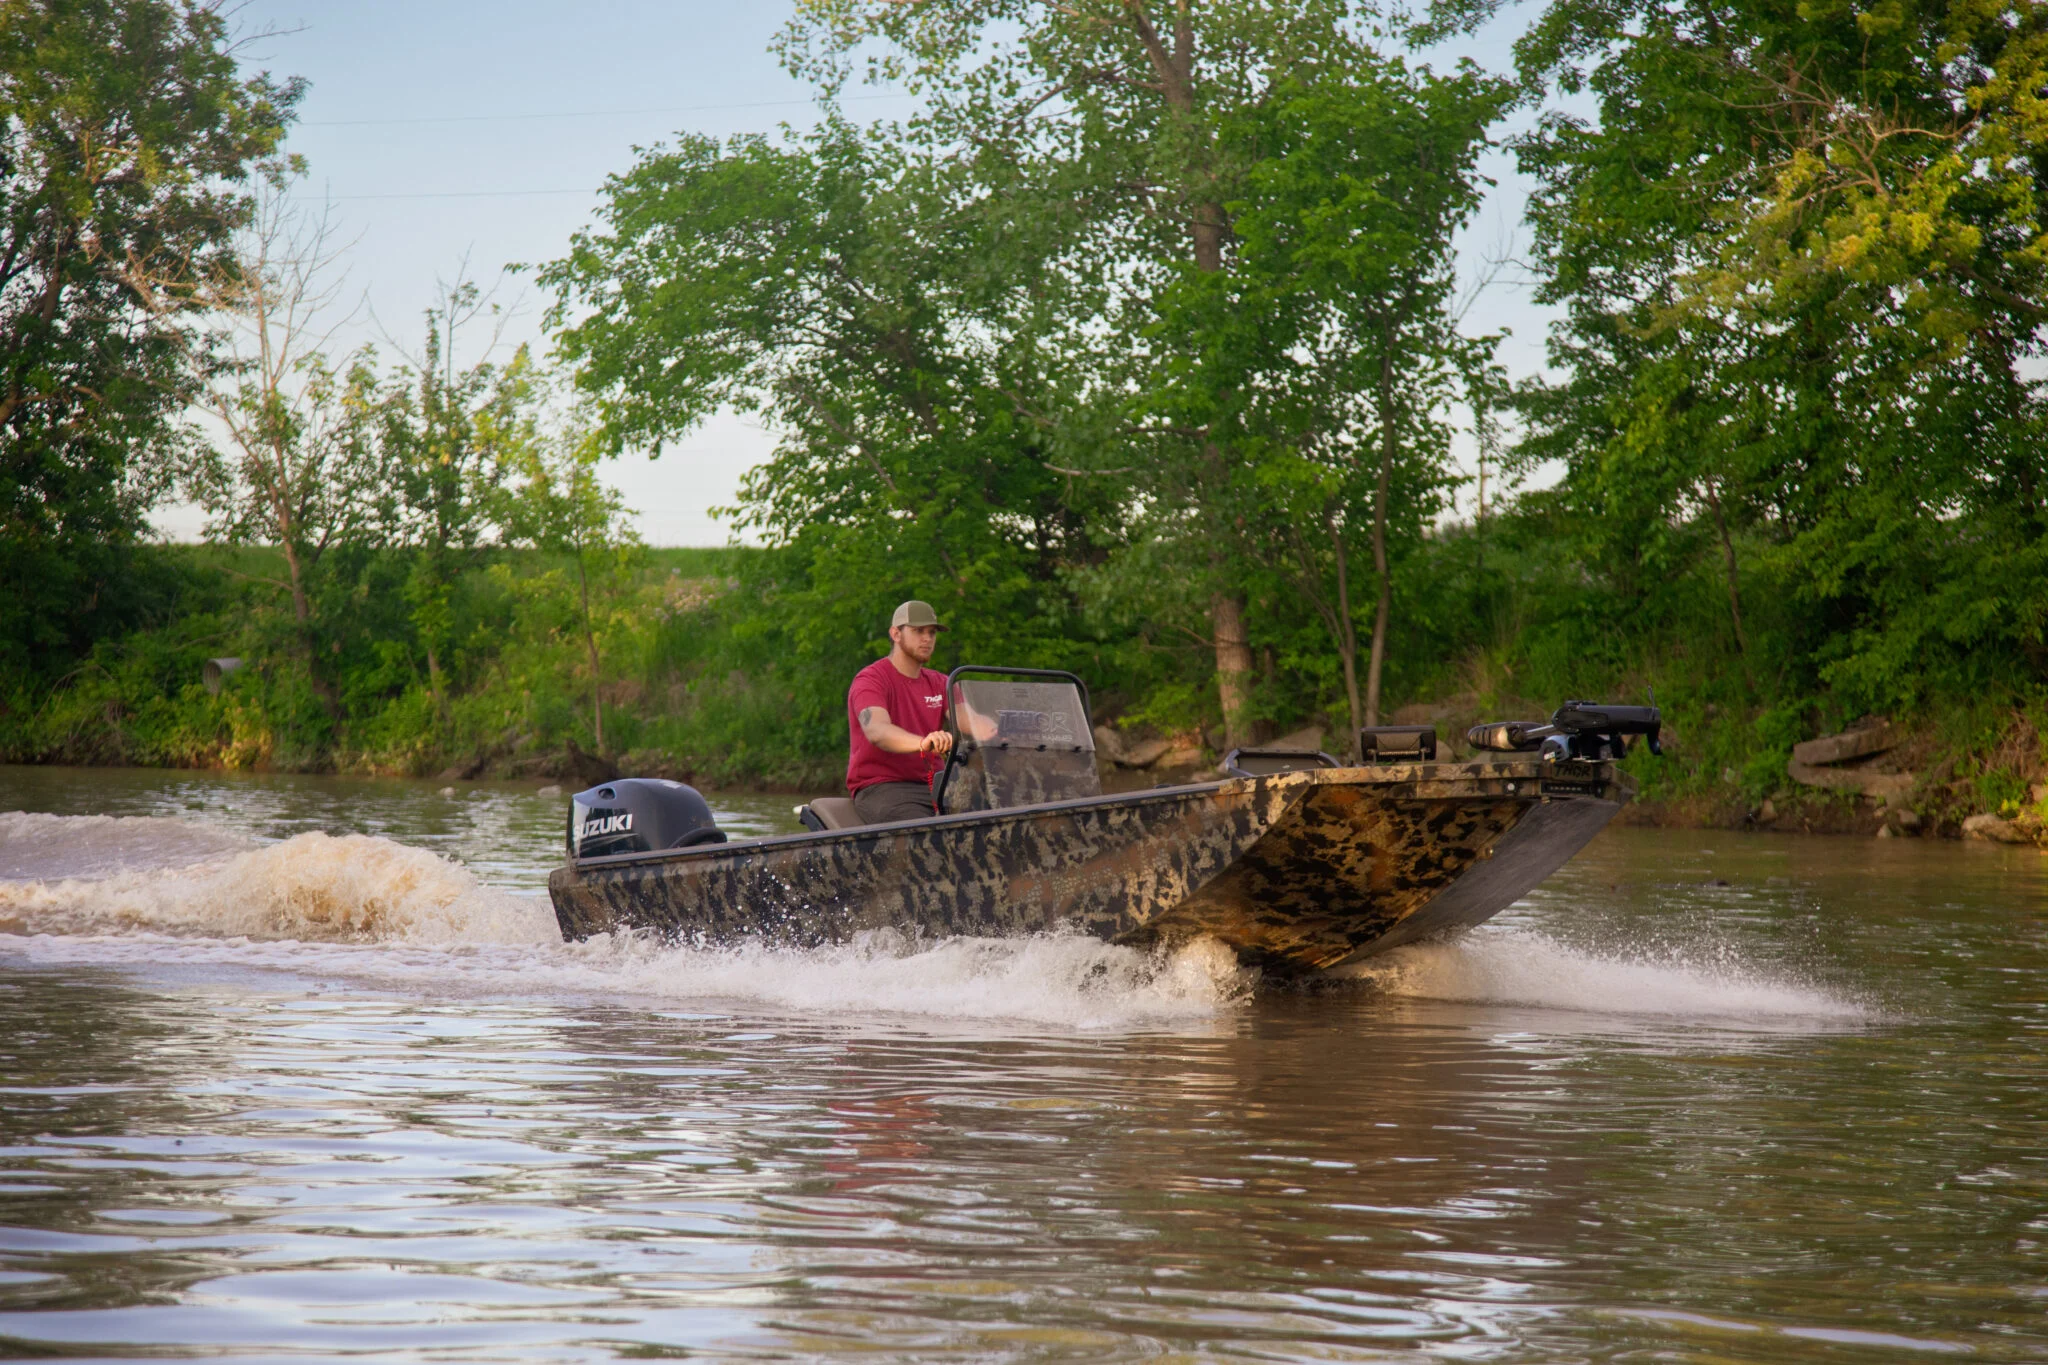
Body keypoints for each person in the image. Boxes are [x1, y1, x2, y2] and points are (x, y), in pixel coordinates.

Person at [846, 600, 955, 824]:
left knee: (989, 813)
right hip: (882, 787)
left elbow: (974, 724)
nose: (927, 638)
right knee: (926, 832)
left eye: (932, 632)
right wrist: (924, 742)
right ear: (895, 633)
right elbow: (877, 731)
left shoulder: (941, 682)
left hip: (939, 785)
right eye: (918, 631)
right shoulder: (871, 679)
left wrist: (1011, 728)